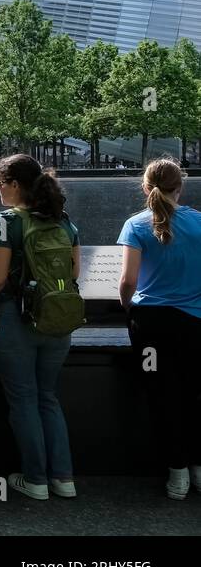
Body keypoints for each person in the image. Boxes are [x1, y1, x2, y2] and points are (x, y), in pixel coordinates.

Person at [0, 154, 79, 501]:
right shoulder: (64, 221)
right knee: (48, 396)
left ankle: (35, 480)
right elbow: (74, 274)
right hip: (57, 319)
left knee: (23, 400)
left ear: (14, 184)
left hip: (14, 320)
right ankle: (63, 478)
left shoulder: (2, 222)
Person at [117, 157, 201, 499]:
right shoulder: (199, 222)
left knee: (162, 395)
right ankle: (198, 469)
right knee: (194, 394)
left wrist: (128, 307)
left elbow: (128, 281)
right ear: (180, 187)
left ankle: (176, 474)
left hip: (150, 325)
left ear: (145, 186)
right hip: (195, 322)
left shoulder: (136, 225)